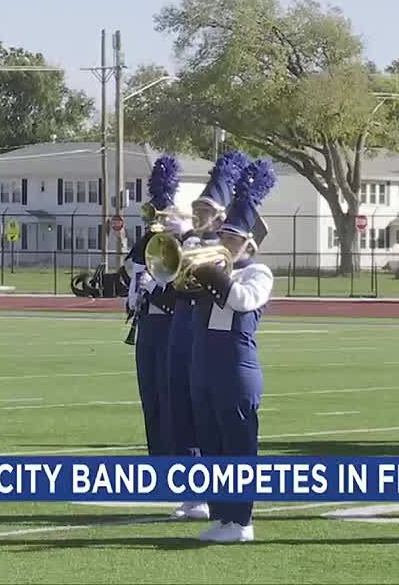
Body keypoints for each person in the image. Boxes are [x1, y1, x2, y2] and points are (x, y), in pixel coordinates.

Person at [187, 158, 276, 544]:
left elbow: (241, 300)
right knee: (211, 442)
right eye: (223, 236)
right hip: (204, 363)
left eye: (234, 239)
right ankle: (222, 515)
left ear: (250, 244)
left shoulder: (258, 272)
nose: (225, 244)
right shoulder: (210, 267)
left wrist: (214, 273)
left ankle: (242, 521)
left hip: (237, 367)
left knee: (238, 444)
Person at [168, 150, 249, 521]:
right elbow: (171, 283)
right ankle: (190, 489)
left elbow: (231, 293)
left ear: (221, 214)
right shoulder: (191, 242)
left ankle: (210, 499)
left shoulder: (223, 253)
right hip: (184, 326)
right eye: (197, 208)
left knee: (212, 418)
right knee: (182, 407)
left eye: (206, 210)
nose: (198, 215)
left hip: (210, 336)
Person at [128, 154, 189, 457]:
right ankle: (156, 456)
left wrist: (153, 289)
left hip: (170, 326)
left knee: (169, 395)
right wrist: (135, 295)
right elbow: (134, 270)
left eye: (161, 218)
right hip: (147, 327)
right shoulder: (146, 247)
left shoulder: (180, 244)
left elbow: (176, 288)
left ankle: (173, 455)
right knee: (149, 394)